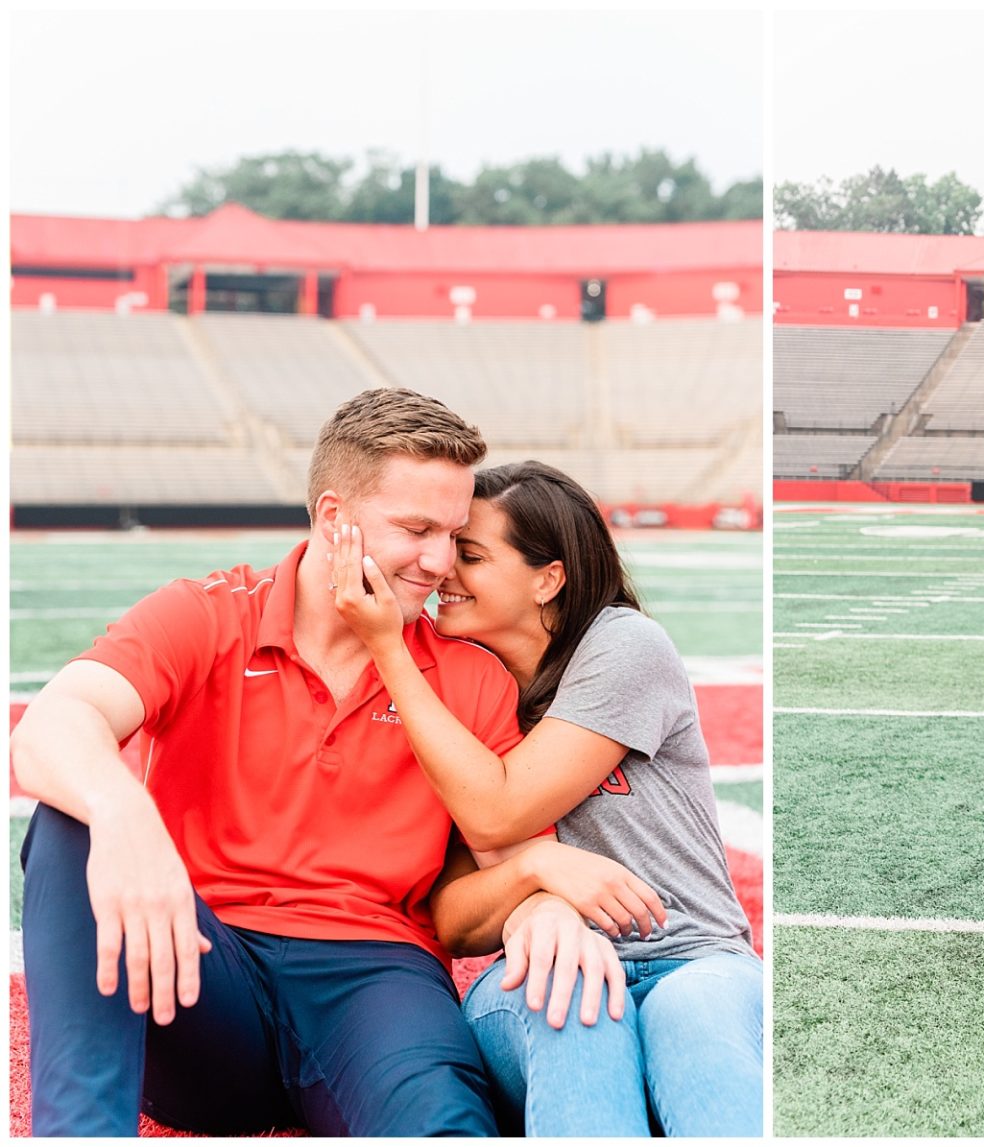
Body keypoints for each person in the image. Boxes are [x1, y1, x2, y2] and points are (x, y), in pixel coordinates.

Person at [11, 388, 614, 1136]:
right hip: (202, 977)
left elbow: (515, 854)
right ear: (335, 518)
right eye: (417, 529)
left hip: (374, 982)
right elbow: (51, 725)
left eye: (453, 535)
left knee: (443, 1123)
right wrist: (123, 807)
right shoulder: (207, 614)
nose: (438, 564)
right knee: (72, 821)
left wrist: (545, 904)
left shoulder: (470, 676)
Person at [331, 459, 763, 1137]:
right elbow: (454, 917)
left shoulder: (622, 645)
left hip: (695, 956)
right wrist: (533, 875)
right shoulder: (458, 697)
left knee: (695, 1016)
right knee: (577, 1004)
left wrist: (389, 649)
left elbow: (498, 809)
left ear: (548, 578)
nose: (445, 570)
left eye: (469, 554)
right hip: (541, 971)